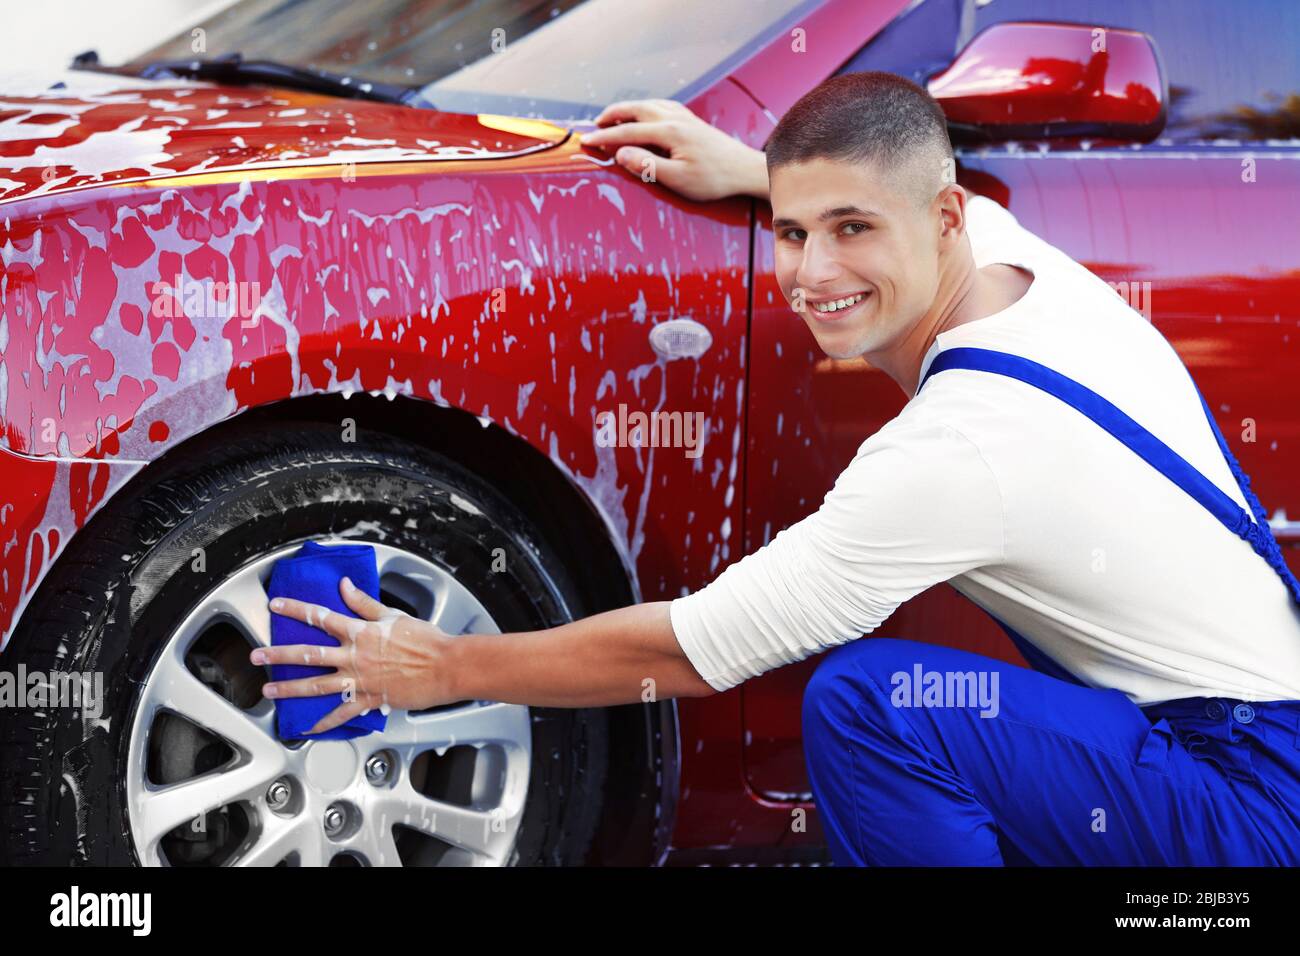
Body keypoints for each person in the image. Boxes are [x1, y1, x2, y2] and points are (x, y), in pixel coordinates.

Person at [252, 73, 1300, 865]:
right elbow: (897, 189)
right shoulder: (1012, 258)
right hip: (1240, 728)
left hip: (1253, 799)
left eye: (851, 229)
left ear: (936, 221)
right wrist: (747, 168)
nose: (810, 272)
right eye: (794, 232)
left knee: (868, 705)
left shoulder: (959, 444)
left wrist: (441, 669)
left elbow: (697, 648)